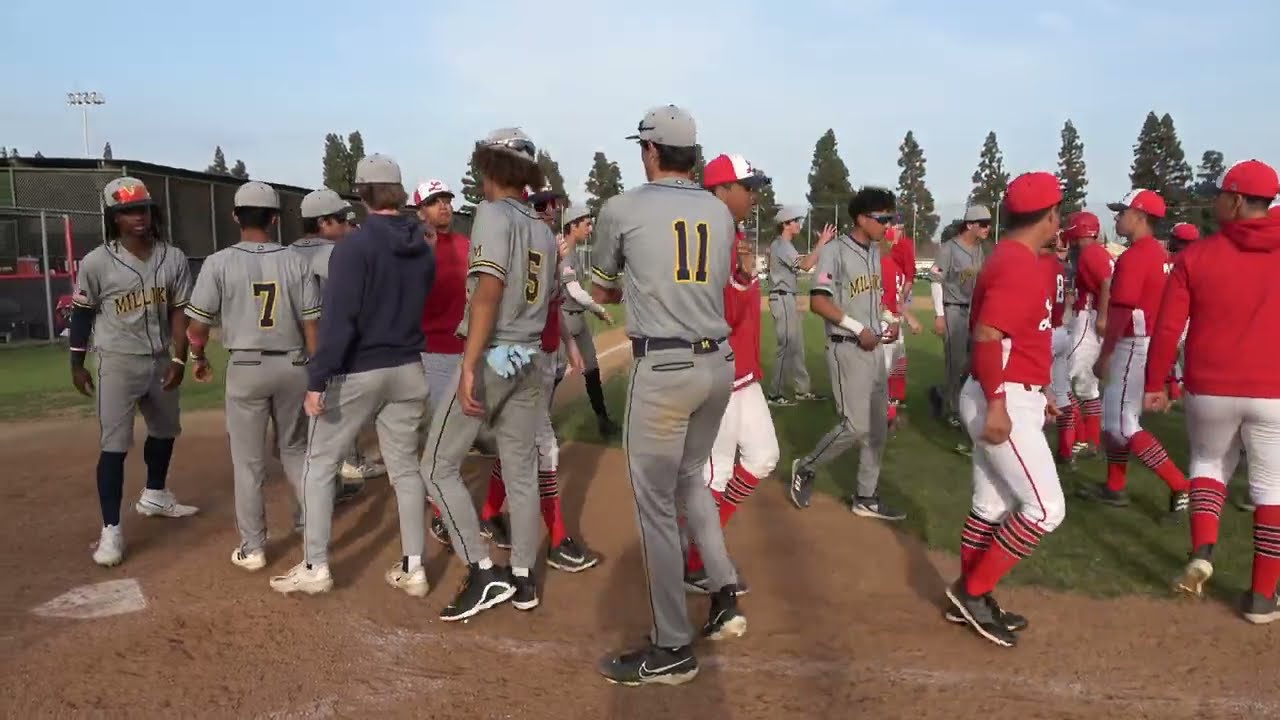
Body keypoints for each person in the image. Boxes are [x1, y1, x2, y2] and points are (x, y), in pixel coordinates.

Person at [591, 106, 746, 687]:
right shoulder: (720, 211)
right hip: (718, 366)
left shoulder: (623, 207)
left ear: (652, 151)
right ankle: (725, 587)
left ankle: (673, 646)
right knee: (690, 478)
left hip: (667, 365)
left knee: (655, 504)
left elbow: (604, 283)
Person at [269, 154, 436, 597]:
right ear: (398, 191)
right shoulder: (422, 244)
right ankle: (414, 567)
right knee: (405, 470)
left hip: (360, 371)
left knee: (320, 464)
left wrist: (317, 380)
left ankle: (315, 564)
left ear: (361, 194)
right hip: (408, 368)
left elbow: (339, 322)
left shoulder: (354, 248)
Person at [419, 128, 557, 620]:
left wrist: (471, 365)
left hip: (497, 353)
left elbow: (489, 292)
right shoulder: (543, 226)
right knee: (521, 471)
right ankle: (523, 578)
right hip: (530, 356)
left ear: (491, 168)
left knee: (435, 467)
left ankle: (481, 572)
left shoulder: (493, 214)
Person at [1143, 160, 1280, 622]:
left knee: (1207, 466)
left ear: (1237, 201)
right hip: (1274, 388)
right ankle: (1262, 597)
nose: (1217, 201)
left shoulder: (1196, 257)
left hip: (1211, 384)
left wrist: (1157, 383)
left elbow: (1167, 329)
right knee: (1271, 489)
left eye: (1222, 194)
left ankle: (1202, 552)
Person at [942, 171, 1065, 649]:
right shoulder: (1016, 263)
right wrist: (998, 402)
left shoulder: (1014, 258)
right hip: (1002, 395)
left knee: (991, 506)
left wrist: (1042, 392)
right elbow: (989, 336)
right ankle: (971, 592)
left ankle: (974, 595)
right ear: (1050, 217)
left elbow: (1019, 335)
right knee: (1045, 509)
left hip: (1013, 391)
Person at [184, 182, 320, 570]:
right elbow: (313, 324)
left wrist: (197, 355)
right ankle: (312, 527)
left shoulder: (219, 262)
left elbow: (197, 326)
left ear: (235, 217)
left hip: (245, 366)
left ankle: (254, 547)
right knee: (294, 450)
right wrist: (315, 369)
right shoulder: (295, 261)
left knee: (247, 463)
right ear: (275, 219)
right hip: (293, 364)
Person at [69, 177, 196, 568]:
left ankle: (155, 494)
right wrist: (76, 362)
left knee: (164, 432)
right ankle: (111, 530)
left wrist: (179, 358)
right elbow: (83, 314)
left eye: (141, 208)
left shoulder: (172, 257)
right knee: (114, 446)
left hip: (159, 358)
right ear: (114, 218)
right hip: (117, 360)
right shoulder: (96, 262)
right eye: (126, 211)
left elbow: (179, 311)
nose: (137, 217)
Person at [476, 202, 600, 574]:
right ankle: (557, 541)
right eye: (541, 206)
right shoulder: (525, 250)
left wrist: (571, 344)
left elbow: (553, 304)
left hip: (542, 359)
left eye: (551, 206)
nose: (548, 211)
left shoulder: (546, 249)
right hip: (521, 361)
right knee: (544, 449)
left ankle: (487, 514)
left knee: (519, 441)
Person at [683, 154, 779, 593]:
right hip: (716, 372)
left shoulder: (733, 234)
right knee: (715, 472)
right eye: (747, 185)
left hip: (744, 373)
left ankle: (707, 542)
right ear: (721, 190)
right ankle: (699, 561)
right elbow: (716, 315)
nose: (753, 193)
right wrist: (741, 280)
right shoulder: (709, 238)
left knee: (762, 457)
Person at [788, 187, 905, 522]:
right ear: (861, 218)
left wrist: (888, 320)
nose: (888, 224)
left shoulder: (873, 254)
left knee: (878, 428)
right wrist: (858, 328)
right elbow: (819, 301)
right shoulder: (836, 251)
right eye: (882, 218)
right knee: (855, 426)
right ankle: (806, 466)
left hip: (872, 348)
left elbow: (874, 302)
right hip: (847, 347)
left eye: (890, 218)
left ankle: (865, 496)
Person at [1078, 189, 1189, 516]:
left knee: (1123, 425)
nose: (1116, 217)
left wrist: (1105, 355)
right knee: (1116, 422)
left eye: (1122, 212)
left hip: (1133, 345)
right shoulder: (1161, 256)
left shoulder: (1136, 256)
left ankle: (1180, 485)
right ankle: (1114, 487)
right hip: (1149, 343)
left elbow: (1121, 311)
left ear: (1140, 217)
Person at [289, 189, 374, 500]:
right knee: (332, 419)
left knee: (300, 433)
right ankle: (340, 476)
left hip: (290, 351)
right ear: (323, 223)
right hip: (329, 347)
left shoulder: (286, 254)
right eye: (341, 219)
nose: (345, 225)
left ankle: (324, 483)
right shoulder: (335, 254)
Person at [556, 203, 621, 433]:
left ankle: (603, 420)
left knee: (591, 367)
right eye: (586, 223)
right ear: (572, 226)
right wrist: (598, 309)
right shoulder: (563, 249)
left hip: (577, 319)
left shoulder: (574, 250)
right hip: (562, 320)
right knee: (555, 373)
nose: (590, 228)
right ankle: (536, 424)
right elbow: (574, 290)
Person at [928, 205, 990, 430]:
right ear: (970, 225)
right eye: (983, 224)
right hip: (954, 309)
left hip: (974, 312)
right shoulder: (949, 249)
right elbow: (935, 281)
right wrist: (939, 315)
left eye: (989, 223)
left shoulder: (978, 249)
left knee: (973, 362)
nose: (987, 228)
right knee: (955, 364)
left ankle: (943, 395)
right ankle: (953, 409)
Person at [766, 206, 832, 405]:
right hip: (782, 297)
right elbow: (805, 265)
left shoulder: (785, 245)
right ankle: (775, 394)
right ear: (785, 224)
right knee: (786, 346)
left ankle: (802, 390)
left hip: (788, 297)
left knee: (797, 347)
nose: (798, 224)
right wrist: (821, 243)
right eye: (795, 221)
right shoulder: (781, 245)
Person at [1061, 211, 1111, 458]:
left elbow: (1107, 282)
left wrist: (1101, 316)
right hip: (1091, 318)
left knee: (1062, 376)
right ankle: (1090, 441)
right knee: (1087, 386)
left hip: (1088, 320)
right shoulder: (1097, 251)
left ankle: (1076, 438)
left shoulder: (1091, 253)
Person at [1044, 230, 1076, 464]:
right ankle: (1066, 452)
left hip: (1045, 333)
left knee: (1034, 394)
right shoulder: (1063, 268)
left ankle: (1035, 450)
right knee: (1063, 393)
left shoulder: (1041, 264)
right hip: (1062, 330)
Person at [886, 224, 921, 416]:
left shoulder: (904, 247)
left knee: (898, 353)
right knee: (887, 355)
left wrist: (902, 301)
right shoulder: (882, 256)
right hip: (886, 309)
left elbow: (909, 276)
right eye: (893, 227)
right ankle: (883, 400)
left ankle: (895, 395)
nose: (895, 231)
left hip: (896, 303)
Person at [1164, 222, 1200, 402]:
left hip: (1179, 313)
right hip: (1197, 314)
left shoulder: (1175, 261)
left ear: (1180, 242)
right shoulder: (1201, 260)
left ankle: (1175, 390)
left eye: (1173, 238)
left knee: (1171, 352)